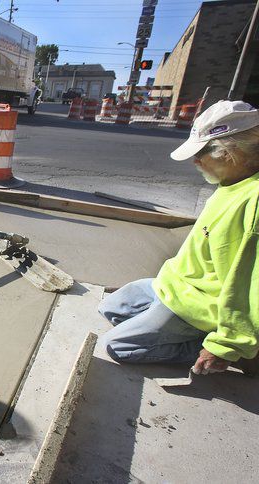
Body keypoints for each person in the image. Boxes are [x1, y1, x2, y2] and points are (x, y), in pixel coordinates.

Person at [100, 100, 259, 377]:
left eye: (202, 153)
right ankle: (162, 323)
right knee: (110, 308)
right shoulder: (232, 181)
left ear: (234, 152)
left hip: (199, 305)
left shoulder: (253, 202)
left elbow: (249, 286)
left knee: (117, 346)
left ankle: (208, 343)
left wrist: (225, 346)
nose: (195, 161)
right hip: (174, 284)